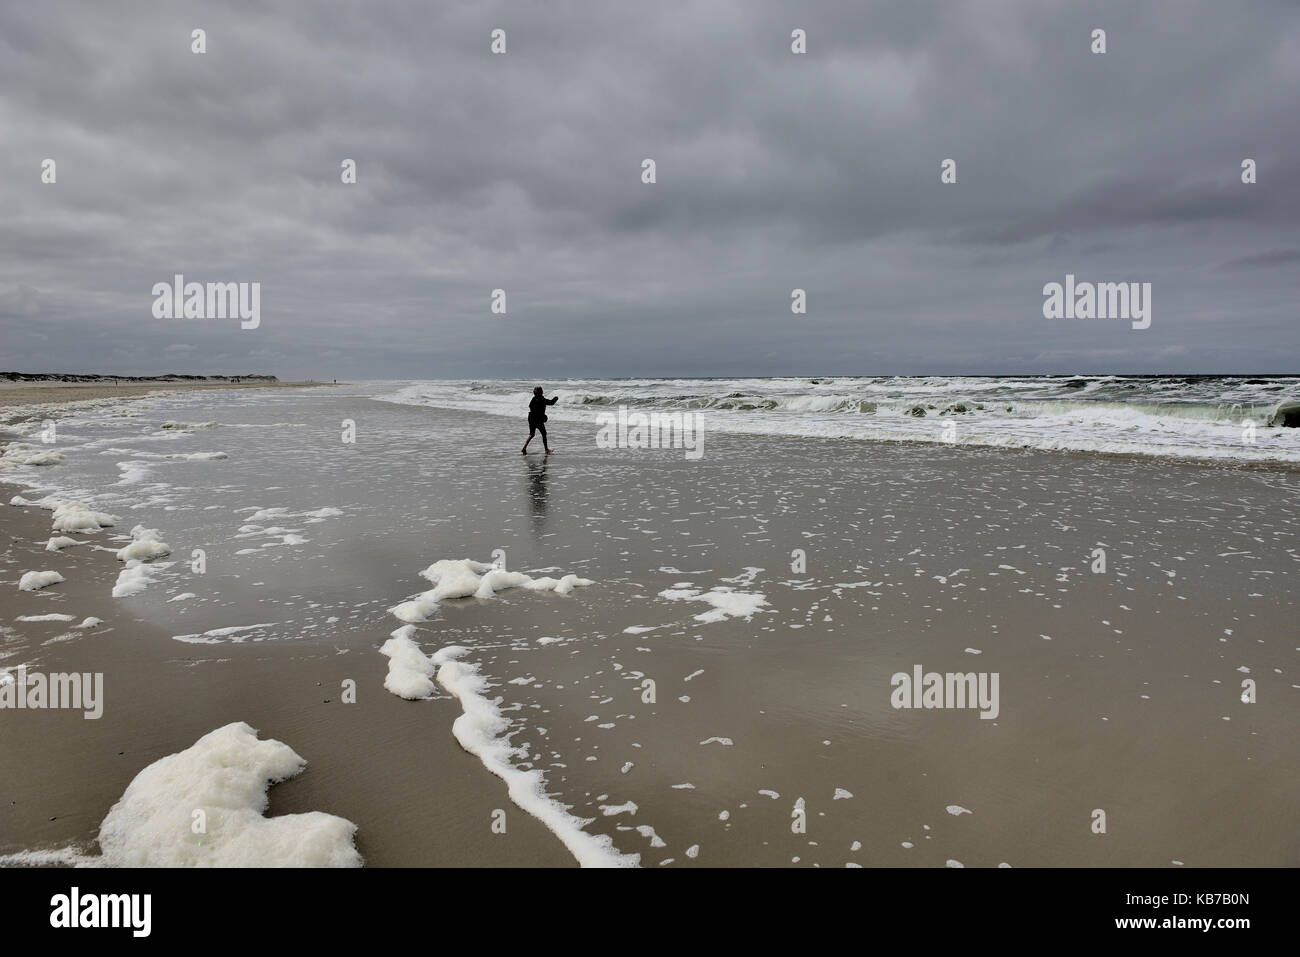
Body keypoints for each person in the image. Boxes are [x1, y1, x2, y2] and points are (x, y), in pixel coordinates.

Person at [522, 386, 558, 454]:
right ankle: (546, 450)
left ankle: (524, 448)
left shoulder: (533, 399)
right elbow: (551, 403)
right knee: (544, 434)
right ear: (541, 392)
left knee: (532, 434)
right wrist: (556, 398)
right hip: (538, 420)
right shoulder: (542, 399)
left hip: (531, 418)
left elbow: (530, 406)